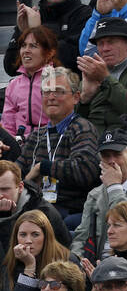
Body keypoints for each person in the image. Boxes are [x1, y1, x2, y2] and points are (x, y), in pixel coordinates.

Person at [15, 68, 99, 220]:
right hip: (36, 207)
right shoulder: (37, 135)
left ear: (76, 97)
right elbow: (17, 171)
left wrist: (43, 168)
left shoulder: (82, 128)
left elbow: (85, 170)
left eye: (59, 91)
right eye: (46, 92)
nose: (51, 97)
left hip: (68, 209)